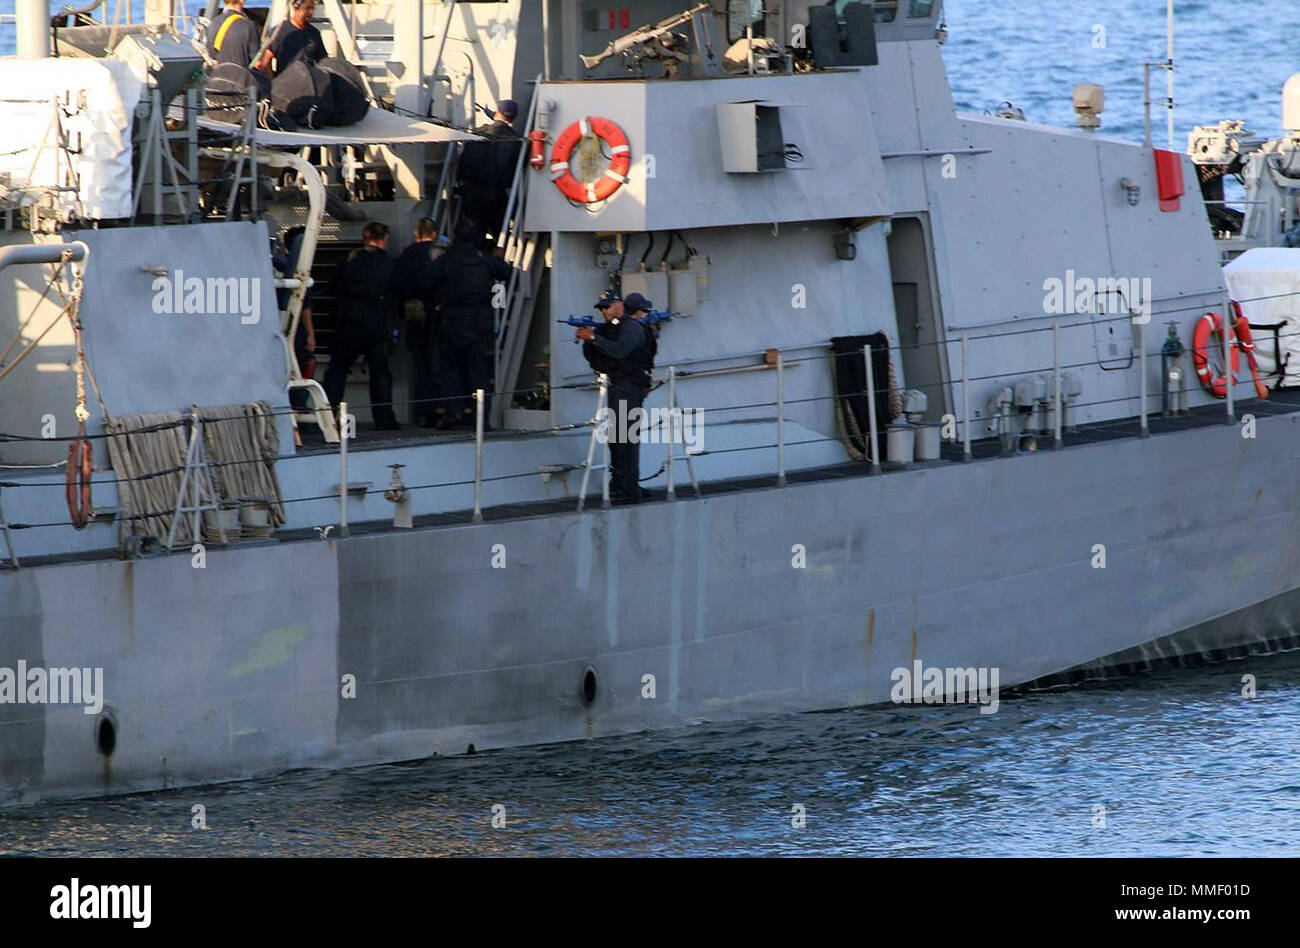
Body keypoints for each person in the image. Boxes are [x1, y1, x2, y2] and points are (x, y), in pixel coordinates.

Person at [425, 219, 513, 429]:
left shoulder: (445, 260)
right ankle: (481, 418)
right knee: (478, 371)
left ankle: (453, 414)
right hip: (478, 322)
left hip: (452, 321)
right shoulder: (484, 259)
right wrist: (497, 258)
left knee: (450, 370)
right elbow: (507, 273)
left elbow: (427, 281)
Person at [578, 290, 656, 503]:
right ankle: (621, 483)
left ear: (619, 306)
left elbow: (620, 351)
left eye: (606, 307)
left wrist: (593, 337)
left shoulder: (631, 328)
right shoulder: (613, 328)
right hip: (616, 387)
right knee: (616, 439)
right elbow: (598, 358)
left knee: (626, 439)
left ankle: (630, 489)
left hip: (629, 388)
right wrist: (589, 340)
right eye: (601, 308)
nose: (603, 311)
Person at [324, 221, 401, 431]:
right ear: (383, 240)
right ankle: (384, 419)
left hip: (349, 321)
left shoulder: (350, 260)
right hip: (376, 322)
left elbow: (334, 287)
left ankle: (326, 416)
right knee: (380, 372)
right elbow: (396, 291)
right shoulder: (389, 263)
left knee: (338, 368)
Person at [391, 217, 446, 427]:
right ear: (434, 234)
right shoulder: (440, 254)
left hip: (414, 314)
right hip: (438, 314)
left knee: (419, 364)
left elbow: (396, 283)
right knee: (438, 363)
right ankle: (439, 410)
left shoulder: (406, 254)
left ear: (417, 233)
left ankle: (422, 412)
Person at [456, 99, 522, 249]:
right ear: (514, 118)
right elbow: (517, 167)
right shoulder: (516, 140)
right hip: (495, 196)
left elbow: (462, 162)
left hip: (470, 193)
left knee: (473, 235)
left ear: (497, 113)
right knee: (501, 236)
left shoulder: (478, 132)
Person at [272, 226, 317, 407]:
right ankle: (299, 408)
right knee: (300, 366)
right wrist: (311, 333)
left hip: (275, 325)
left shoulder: (276, 266)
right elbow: (304, 304)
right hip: (294, 326)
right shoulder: (299, 270)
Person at [255, 0, 325, 78]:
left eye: (312, 9)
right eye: (307, 8)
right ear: (296, 7)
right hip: (286, 84)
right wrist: (274, 81)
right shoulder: (280, 31)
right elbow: (266, 60)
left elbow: (323, 61)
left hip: (308, 84)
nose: (310, 13)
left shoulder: (314, 33)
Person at [205, 0, 261, 69]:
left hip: (218, 76)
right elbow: (258, 63)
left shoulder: (213, 23)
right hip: (241, 77)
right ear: (241, 1)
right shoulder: (249, 26)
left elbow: (212, 56)